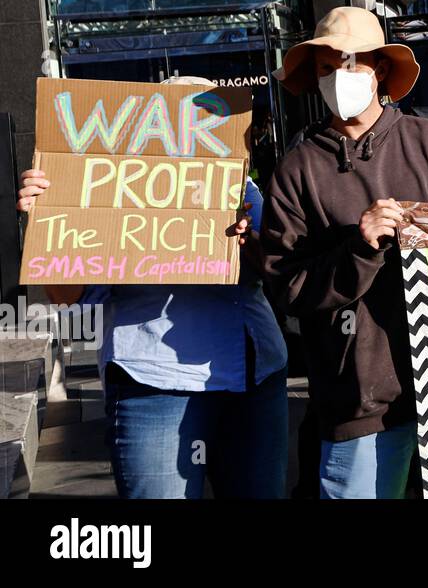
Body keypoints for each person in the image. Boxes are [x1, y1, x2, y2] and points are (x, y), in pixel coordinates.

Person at [16, 75, 289, 499]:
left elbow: (283, 273)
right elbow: (67, 296)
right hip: (154, 385)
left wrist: (250, 239)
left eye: (207, 123)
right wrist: (47, 223)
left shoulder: (244, 187)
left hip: (253, 381)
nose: (192, 134)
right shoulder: (115, 189)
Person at [260, 6, 428, 499]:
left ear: (380, 69)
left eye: (351, 63)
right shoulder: (296, 170)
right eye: (325, 67)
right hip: (357, 399)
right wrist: (359, 248)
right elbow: (287, 287)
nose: (338, 77)